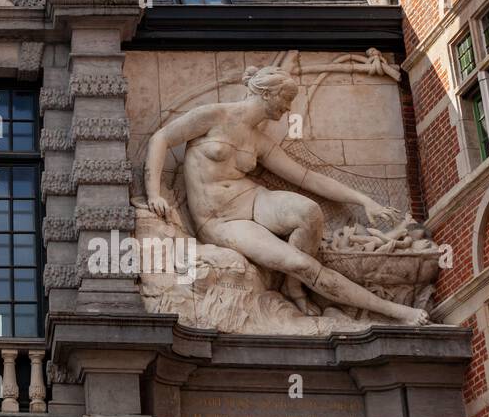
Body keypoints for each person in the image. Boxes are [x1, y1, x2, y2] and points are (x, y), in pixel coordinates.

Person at [143, 65, 429, 325]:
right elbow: (162, 138)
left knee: (309, 211)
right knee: (302, 263)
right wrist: (154, 193)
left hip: (252, 198)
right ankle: (395, 311)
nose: (287, 108)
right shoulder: (215, 116)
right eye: (285, 99)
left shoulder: (258, 141)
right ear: (267, 94)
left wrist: (363, 199)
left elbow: (307, 177)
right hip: (221, 220)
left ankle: (293, 285)